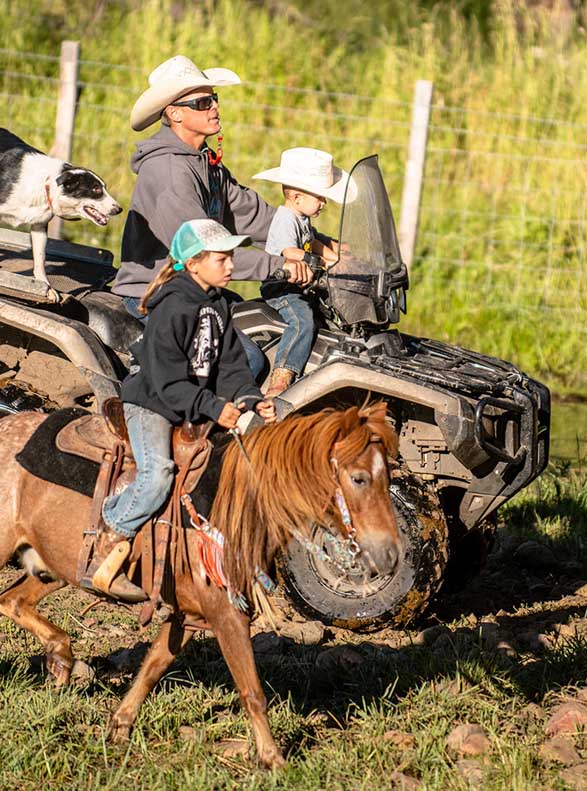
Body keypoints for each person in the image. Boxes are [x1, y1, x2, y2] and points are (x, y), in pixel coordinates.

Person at [85, 218, 277, 602]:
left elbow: (231, 365)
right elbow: (166, 381)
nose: (231, 265)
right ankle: (108, 538)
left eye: (231, 257)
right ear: (194, 264)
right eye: (222, 258)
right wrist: (211, 406)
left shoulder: (219, 303)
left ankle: (234, 556)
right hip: (153, 403)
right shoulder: (173, 308)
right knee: (158, 474)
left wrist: (250, 398)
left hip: (190, 402)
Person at [114, 55, 314, 377]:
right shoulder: (168, 172)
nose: (215, 108)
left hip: (196, 289)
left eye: (214, 99)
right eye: (203, 102)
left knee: (265, 327)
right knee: (246, 362)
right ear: (175, 113)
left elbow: (248, 212)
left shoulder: (203, 161)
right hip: (156, 293)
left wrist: (314, 242)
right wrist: (280, 267)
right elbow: (205, 254)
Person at [252, 147, 351, 397]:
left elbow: (314, 241)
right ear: (297, 198)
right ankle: (282, 374)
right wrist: (319, 261)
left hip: (302, 283)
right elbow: (290, 252)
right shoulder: (286, 218)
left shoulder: (302, 218)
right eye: (320, 197)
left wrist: (340, 255)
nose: (324, 202)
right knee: (302, 320)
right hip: (282, 286)